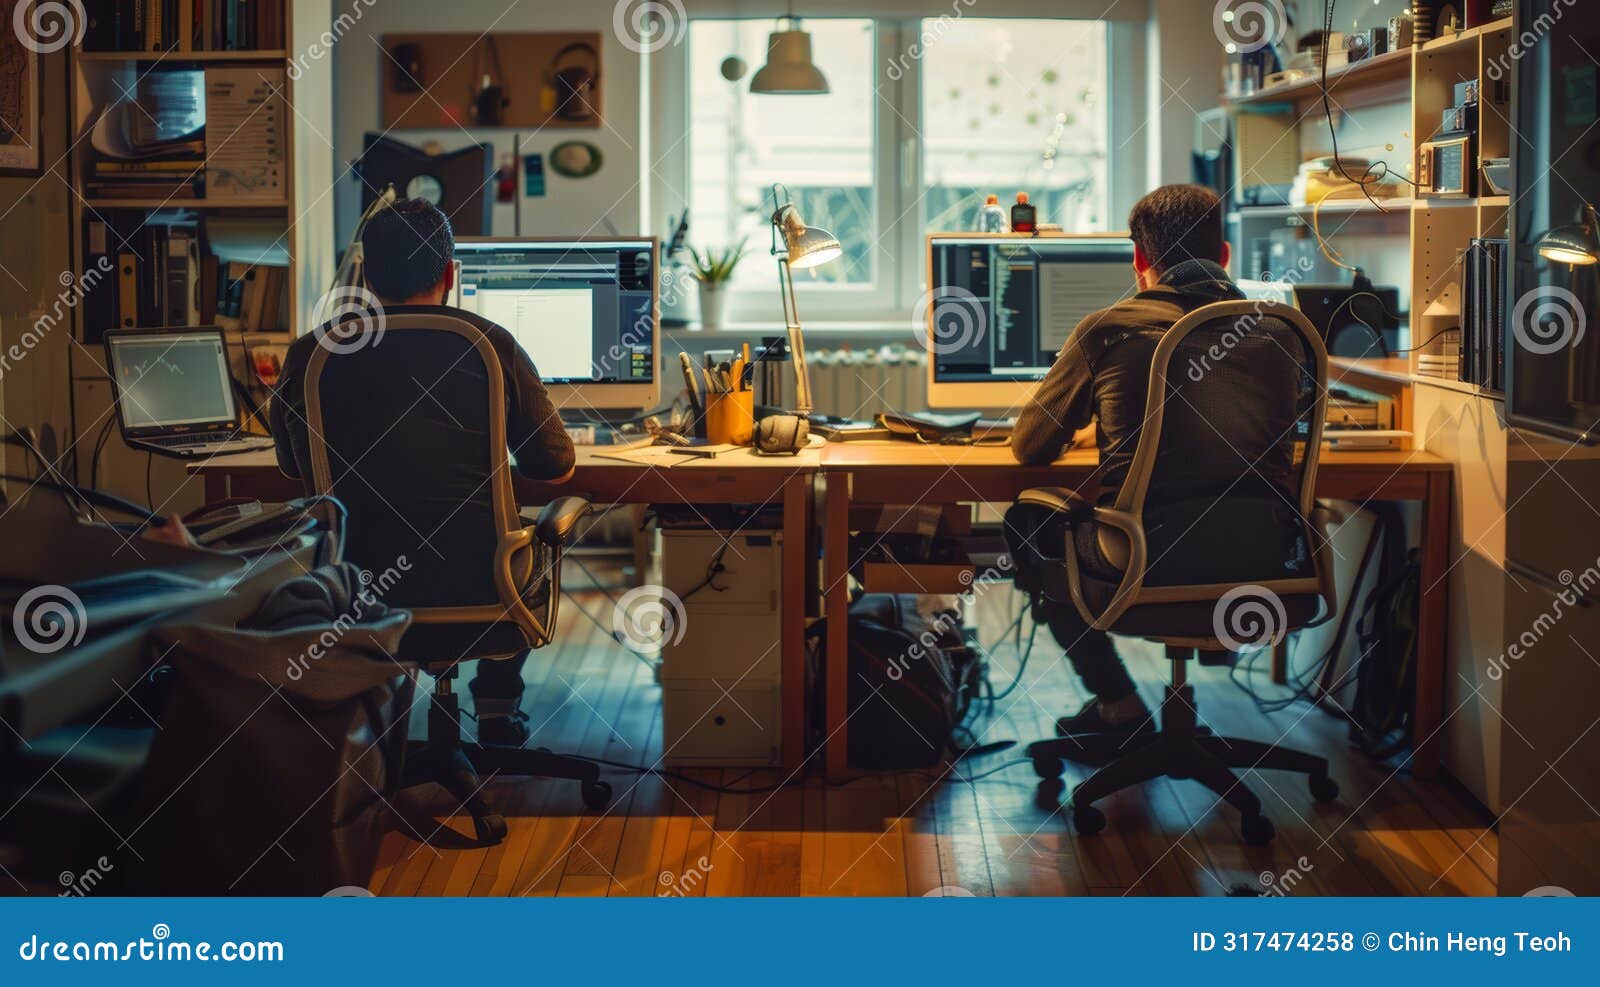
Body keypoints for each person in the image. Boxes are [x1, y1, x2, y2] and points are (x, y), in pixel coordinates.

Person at [272, 198, 575, 746]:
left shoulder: (312, 354)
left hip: (355, 589)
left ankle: (368, 725)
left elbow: (296, 470)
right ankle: (495, 711)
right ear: (450, 274)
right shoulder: (489, 344)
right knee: (534, 533)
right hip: (481, 582)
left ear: (365, 274)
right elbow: (554, 467)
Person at [1004, 183, 1302, 737]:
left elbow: (1030, 447)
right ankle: (1216, 647)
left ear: (1140, 259)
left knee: (1030, 523)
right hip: (1265, 553)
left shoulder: (1110, 327)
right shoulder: (1280, 331)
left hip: (1143, 558)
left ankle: (1118, 703)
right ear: (1226, 254)